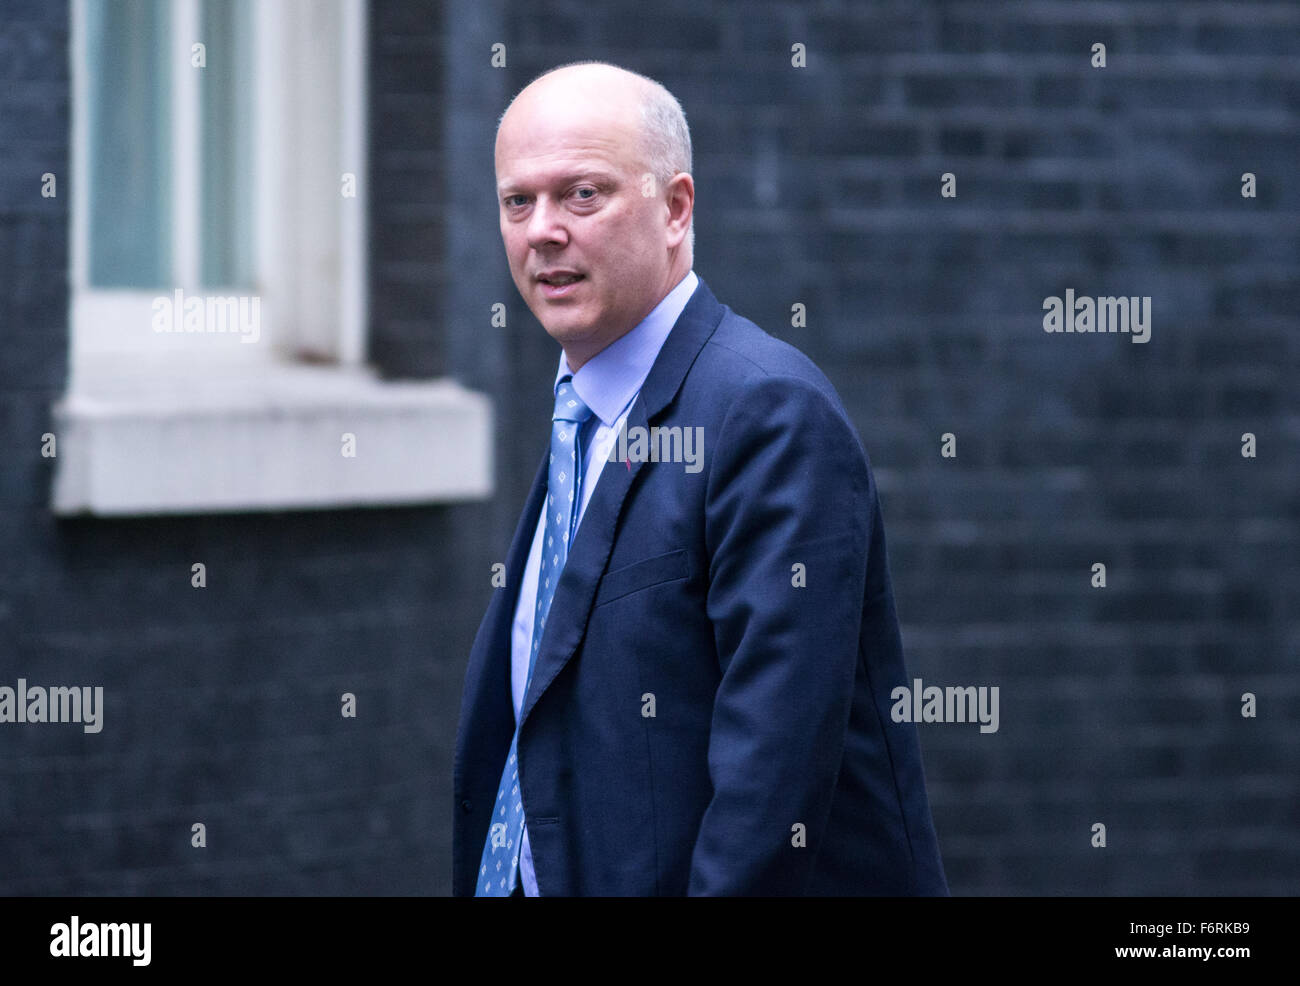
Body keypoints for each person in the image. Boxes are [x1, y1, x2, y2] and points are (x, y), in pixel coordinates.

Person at [453, 61, 948, 896]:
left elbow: (771, 783)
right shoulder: (585, 416)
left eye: (582, 195)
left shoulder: (766, 415)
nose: (542, 229)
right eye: (517, 201)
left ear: (676, 208)